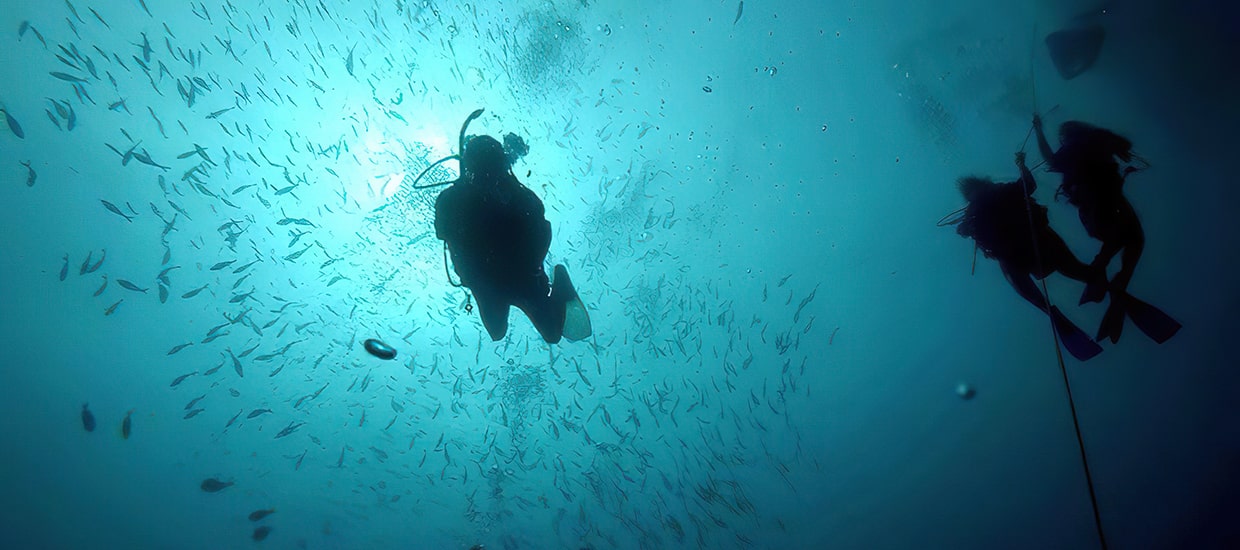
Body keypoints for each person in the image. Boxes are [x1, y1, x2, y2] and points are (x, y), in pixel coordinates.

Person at [431, 111, 591, 343]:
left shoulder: (461, 197)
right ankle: (557, 283)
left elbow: (540, 226)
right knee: (499, 333)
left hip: (520, 277)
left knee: (552, 334)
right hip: (488, 281)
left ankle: (561, 280)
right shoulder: (454, 198)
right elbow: (542, 226)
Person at [1032, 115, 1180, 344]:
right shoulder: (1096, 139)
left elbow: (1051, 160)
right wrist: (1108, 142)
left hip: (1095, 217)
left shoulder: (1071, 148)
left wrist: (1038, 130)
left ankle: (1108, 276)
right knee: (1133, 239)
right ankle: (1115, 278)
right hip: (1113, 208)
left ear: (1065, 137)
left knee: (1126, 238)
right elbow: (1124, 145)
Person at [955, 152, 1102, 361]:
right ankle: (1074, 296)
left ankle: (1055, 308)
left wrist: (1022, 166)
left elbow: (1027, 185)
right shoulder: (984, 205)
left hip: (1033, 247)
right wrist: (1022, 166)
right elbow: (1028, 184)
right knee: (1073, 270)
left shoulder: (989, 202)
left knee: (1024, 272)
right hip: (1031, 249)